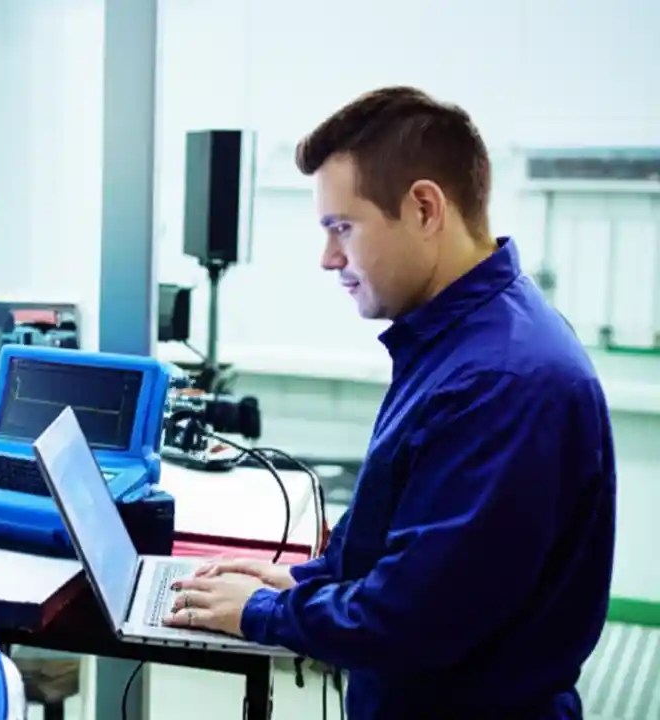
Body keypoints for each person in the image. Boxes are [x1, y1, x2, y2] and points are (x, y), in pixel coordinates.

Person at [165, 86, 617, 719]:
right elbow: (405, 534)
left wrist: (262, 613)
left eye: (341, 228)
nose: (328, 259)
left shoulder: (503, 381)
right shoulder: (458, 337)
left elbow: (415, 617)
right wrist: (302, 580)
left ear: (425, 208)